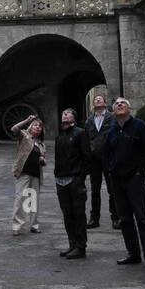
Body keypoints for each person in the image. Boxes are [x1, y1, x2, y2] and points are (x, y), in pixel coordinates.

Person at [103, 98, 145, 269]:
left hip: (135, 179)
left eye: (123, 103)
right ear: (113, 110)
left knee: (142, 218)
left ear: (129, 108)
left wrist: (141, 172)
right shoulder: (111, 130)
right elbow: (106, 153)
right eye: (117, 104)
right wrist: (110, 171)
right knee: (125, 219)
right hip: (117, 180)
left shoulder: (139, 125)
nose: (119, 104)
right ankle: (133, 253)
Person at [53, 108, 91, 260]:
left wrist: (80, 178)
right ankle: (72, 244)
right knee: (67, 214)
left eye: (67, 114)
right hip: (61, 180)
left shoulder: (80, 133)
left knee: (78, 214)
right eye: (63, 114)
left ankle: (81, 247)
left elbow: (87, 157)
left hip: (75, 179)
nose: (64, 115)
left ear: (73, 118)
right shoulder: (60, 136)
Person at [85, 94, 118, 230]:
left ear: (105, 103)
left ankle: (116, 218)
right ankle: (94, 218)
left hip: (109, 158)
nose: (97, 100)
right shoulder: (89, 120)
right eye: (96, 99)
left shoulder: (112, 117)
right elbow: (87, 138)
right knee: (95, 190)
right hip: (94, 160)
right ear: (94, 104)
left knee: (112, 189)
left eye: (100, 99)